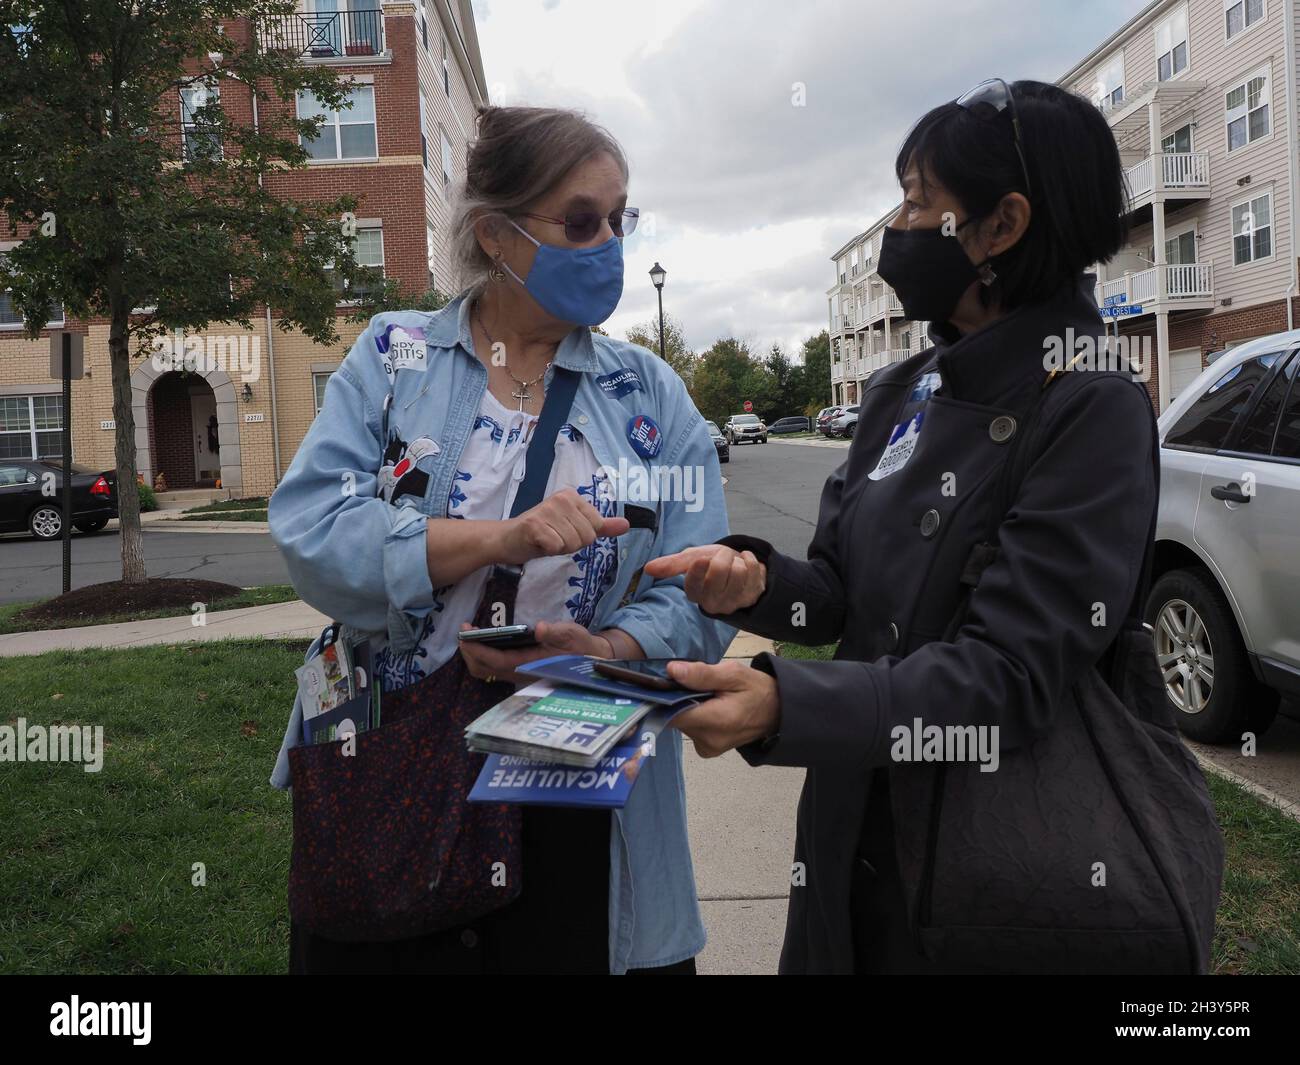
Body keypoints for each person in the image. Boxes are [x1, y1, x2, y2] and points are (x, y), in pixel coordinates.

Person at [648, 80, 1206, 973]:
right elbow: (836, 597)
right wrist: (755, 582)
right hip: (845, 836)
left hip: (991, 859)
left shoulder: (1090, 404)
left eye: (918, 201)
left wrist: (788, 704)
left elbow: (1009, 675)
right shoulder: (904, 391)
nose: (895, 229)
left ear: (1001, 225)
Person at [268, 105, 732, 974]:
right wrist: (494, 539)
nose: (609, 245)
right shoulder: (392, 355)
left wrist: (602, 647)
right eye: (582, 221)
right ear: (498, 233)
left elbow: (698, 585)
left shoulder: (649, 396)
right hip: (400, 766)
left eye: (620, 219)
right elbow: (313, 529)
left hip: (581, 771)